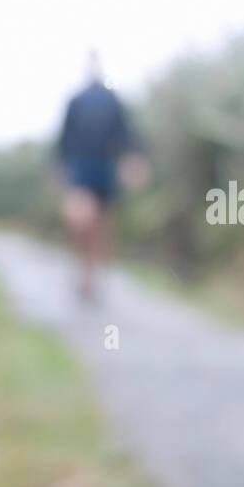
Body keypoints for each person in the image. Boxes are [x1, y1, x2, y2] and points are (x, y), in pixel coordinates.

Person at [55, 51, 147, 302]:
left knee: (102, 225)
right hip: (81, 169)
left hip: (105, 169)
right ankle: (84, 269)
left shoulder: (112, 100)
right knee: (81, 220)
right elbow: (64, 137)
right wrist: (60, 166)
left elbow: (125, 134)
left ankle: (94, 273)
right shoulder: (75, 101)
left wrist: (132, 159)